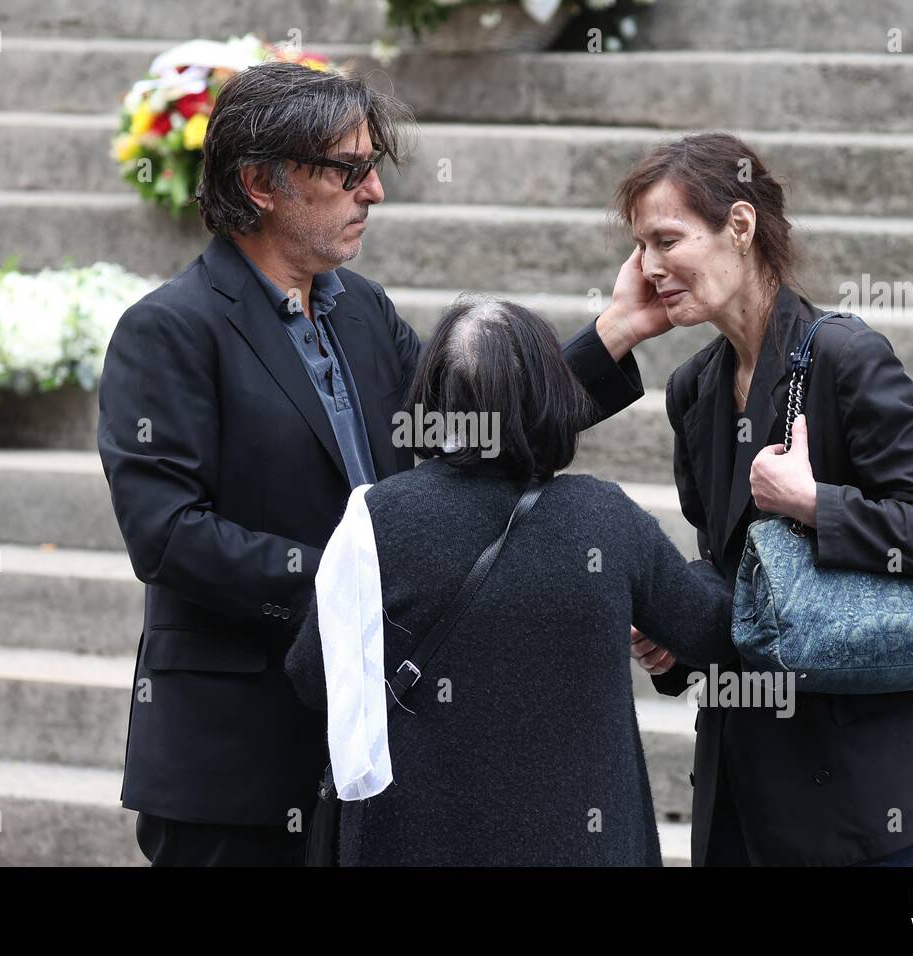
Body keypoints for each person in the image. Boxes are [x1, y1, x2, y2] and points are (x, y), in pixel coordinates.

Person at [97, 63, 651, 866]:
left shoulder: (362, 307)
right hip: (236, 759)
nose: (374, 192)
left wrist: (616, 333)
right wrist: (350, 588)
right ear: (260, 182)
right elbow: (170, 536)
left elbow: (478, 427)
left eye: (373, 168)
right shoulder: (169, 330)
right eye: (349, 170)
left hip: (372, 749)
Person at [601, 132, 913, 866]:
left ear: (739, 227)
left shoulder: (844, 355)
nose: (648, 268)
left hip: (856, 789)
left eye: (666, 240)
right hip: (742, 783)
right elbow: (733, 573)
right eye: (639, 246)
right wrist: (676, 642)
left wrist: (813, 503)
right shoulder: (693, 387)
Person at [284, 297, 734, 866]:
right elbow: (711, 628)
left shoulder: (378, 519)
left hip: (416, 843)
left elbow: (313, 674)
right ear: (553, 397)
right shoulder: (604, 518)